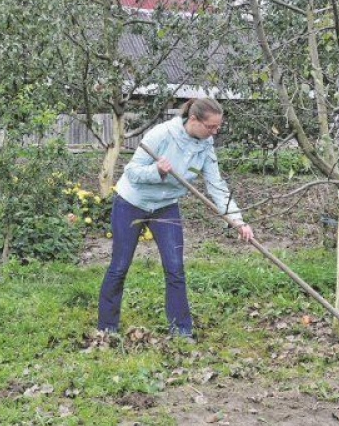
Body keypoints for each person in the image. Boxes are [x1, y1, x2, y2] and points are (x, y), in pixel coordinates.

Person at [97, 97, 253, 338]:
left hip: (165, 207)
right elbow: (132, 172)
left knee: (175, 268)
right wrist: (156, 170)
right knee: (119, 266)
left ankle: (181, 331)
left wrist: (237, 220)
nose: (214, 132)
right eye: (211, 126)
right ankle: (107, 329)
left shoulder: (205, 144)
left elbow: (216, 184)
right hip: (131, 202)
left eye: (217, 127)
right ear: (193, 119)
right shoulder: (161, 134)